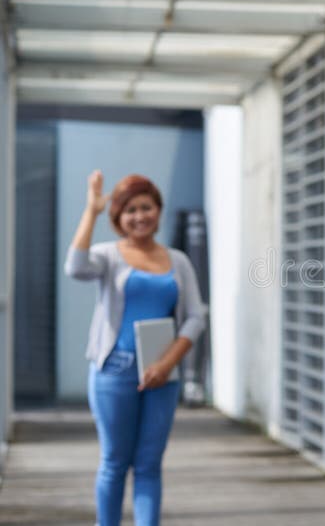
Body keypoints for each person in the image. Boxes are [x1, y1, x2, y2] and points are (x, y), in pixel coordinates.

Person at [64, 170, 206, 526]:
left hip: (162, 374)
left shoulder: (179, 261)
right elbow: (75, 267)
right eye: (130, 210)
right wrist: (91, 211)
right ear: (118, 218)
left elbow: (195, 317)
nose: (139, 216)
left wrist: (167, 363)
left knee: (149, 465)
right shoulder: (108, 255)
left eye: (146, 207)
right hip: (114, 370)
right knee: (114, 462)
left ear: (158, 210)